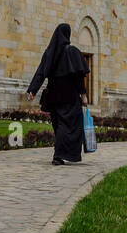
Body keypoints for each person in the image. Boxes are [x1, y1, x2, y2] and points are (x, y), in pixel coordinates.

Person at [25, 23, 89, 165]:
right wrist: (83, 95)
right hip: (69, 96)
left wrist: (32, 90)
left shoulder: (49, 53)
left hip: (53, 96)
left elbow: (40, 73)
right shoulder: (72, 52)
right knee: (70, 127)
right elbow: (78, 77)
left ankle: (59, 154)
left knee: (60, 126)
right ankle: (59, 154)